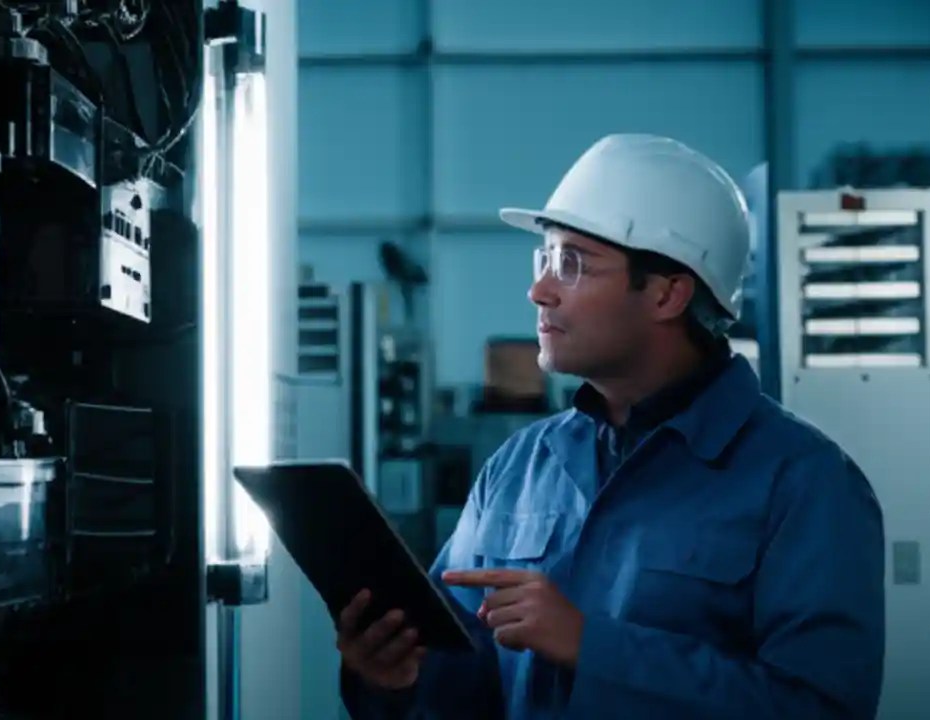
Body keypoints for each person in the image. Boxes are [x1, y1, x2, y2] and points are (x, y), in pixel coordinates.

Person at [336, 134, 886, 719]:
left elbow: (822, 708)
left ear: (668, 293)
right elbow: (463, 681)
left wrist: (592, 647)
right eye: (543, 258)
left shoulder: (805, 483)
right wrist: (393, 681)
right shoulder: (519, 468)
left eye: (572, 263)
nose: (539, 290)